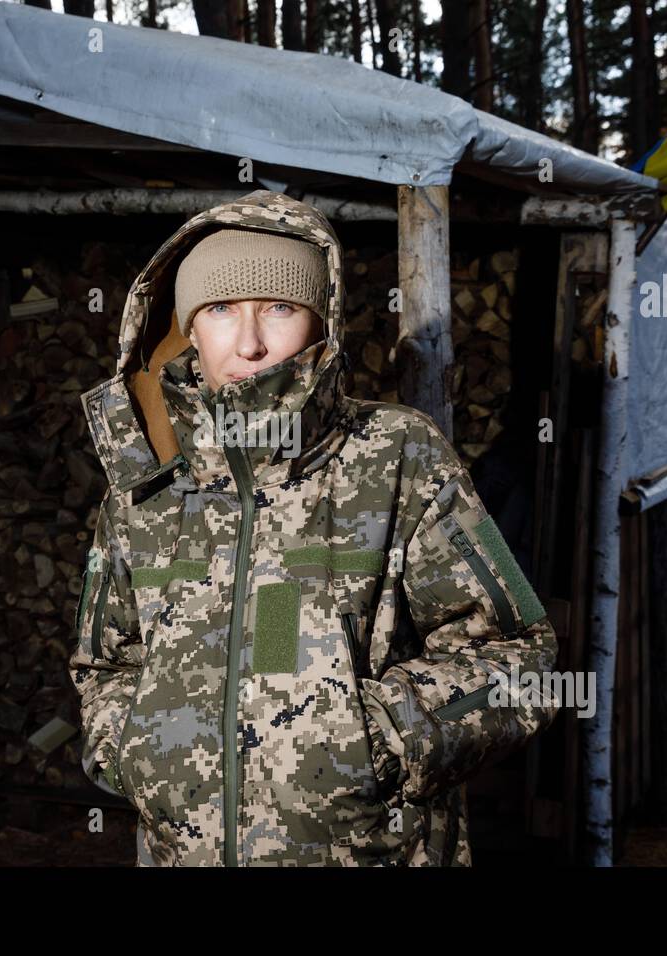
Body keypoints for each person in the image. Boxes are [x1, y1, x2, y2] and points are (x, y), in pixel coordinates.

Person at [69, 189, 559, 866]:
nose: (250, 342)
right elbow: (104, 662)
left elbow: (518, 657)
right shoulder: (150, 482)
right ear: (188, 327)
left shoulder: (396, 455)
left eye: (278, 307)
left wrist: (378, 739)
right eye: (219, 310)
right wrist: (131, 749)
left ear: (321, 321)